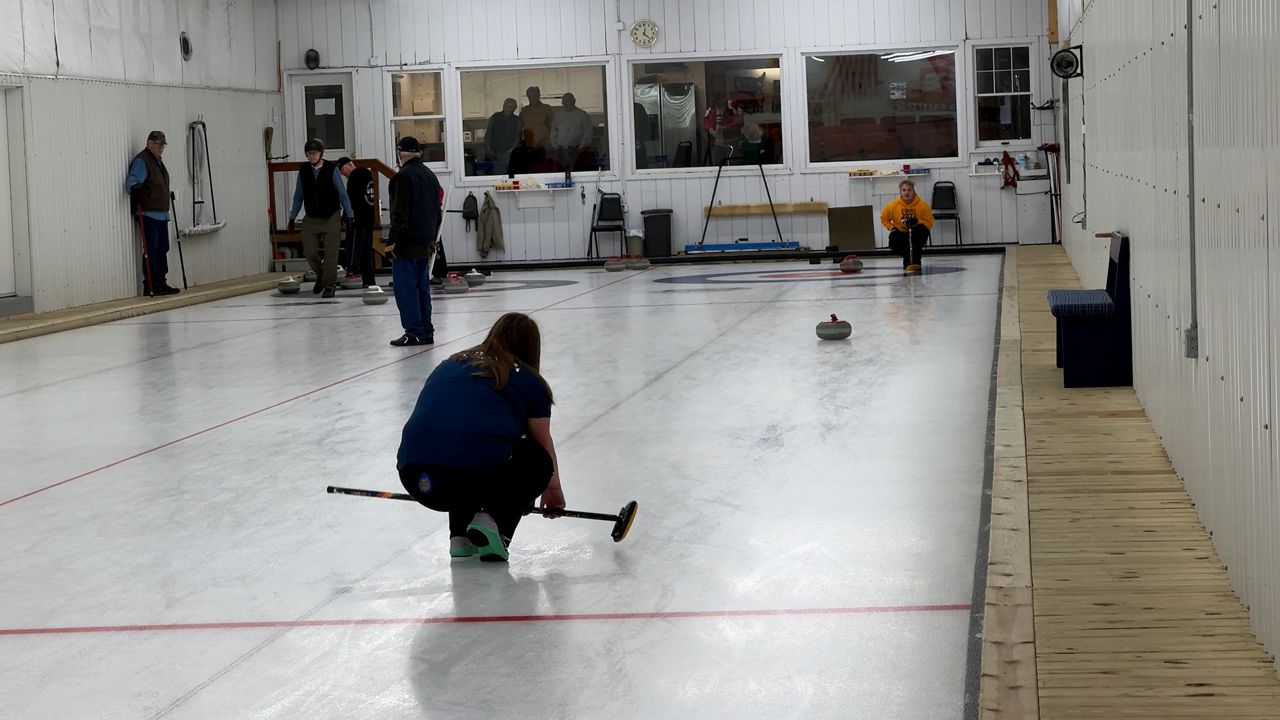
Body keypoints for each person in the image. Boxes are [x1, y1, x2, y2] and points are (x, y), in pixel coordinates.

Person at [397, 312, 564, 562]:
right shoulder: (527, 379)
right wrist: (549, 489)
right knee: (534, 460)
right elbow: (542, 443)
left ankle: (460, 539)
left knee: (464, 450)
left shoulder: (450, 363)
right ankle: (496, 529)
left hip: (418, 478)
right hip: (467, 477)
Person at [386, 135, 443, 347]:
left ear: (400, 155)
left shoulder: (402, 177)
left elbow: (399, 214)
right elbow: (436, 210)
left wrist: (391, 242)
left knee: (406, 289)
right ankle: (426, 330)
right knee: (422, 288)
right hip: (426, 240)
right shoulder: (430, 176)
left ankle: (414, 331)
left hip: (407, 242)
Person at [288, 138, 354, 297]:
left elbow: (342, 194)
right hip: (311, 218)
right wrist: (292, 217)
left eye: (314, 153)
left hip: (331, 217)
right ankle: (322, 276)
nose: (312, 156)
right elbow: (298, 195)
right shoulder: (303, 170)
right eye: (309, 154)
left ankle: (329, 285)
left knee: (331, 255)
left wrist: (349, 215)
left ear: (321, 153)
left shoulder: (331, 169)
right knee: (309, 252)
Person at [124, 130, 180, 296]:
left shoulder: (157, 161)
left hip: (161, 213)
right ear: (150, 144)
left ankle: (161, 282)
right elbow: (132, 183)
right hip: (148, 213)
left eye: (163, 145)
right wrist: (141, 193)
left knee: (162, 248)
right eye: (159, 145)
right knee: (152, 250)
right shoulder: (143, 161)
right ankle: (151, 284)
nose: (162, 148)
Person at [336, 157, 376, 288]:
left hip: (358, 218)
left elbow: (350, 200)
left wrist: (346, 216)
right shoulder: (367, 174)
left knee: (354, 246)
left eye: (342, 171)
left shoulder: (354, 177)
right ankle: (369, 278)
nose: (343, 175)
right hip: (369, 217)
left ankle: (351, 270)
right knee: (367, 249)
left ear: (348, 165)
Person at [880, 179, 934, 274]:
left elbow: (930, 222)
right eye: (904, 190)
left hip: (917, 233)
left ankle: (916, 261)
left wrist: (918, 221)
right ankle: (907, 258)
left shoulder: (922, 205)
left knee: (918, 233)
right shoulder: (893, 205)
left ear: (914, 191)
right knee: (894, 240)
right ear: (900, 192)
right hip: (901, 232)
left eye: (909, 190)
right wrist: (892, 228)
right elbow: (884, 218)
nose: (907, 192)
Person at [549, 92, 593, 170]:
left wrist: (581, 147)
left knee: (576, 172)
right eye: (564, 102)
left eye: (569, 101)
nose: (567, 103)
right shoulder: (558, 115)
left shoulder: (582, 115)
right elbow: (553, 132)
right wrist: (555, 146)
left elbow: (588, 133)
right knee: (561, 172)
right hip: (561, 151)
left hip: (577, 151)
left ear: (574, 101)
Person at [484, 98, 523, 176]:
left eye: (511, 107)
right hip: (494, 152)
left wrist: (511, 151)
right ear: (503, 106)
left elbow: (518, 137)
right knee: (495, 176)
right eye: (507, 106)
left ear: (515, 109)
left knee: (508, 175)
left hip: (509, 153)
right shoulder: (495, 117)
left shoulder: (517, 120)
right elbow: (488, 134)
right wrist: (489, 149)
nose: (509, 109)